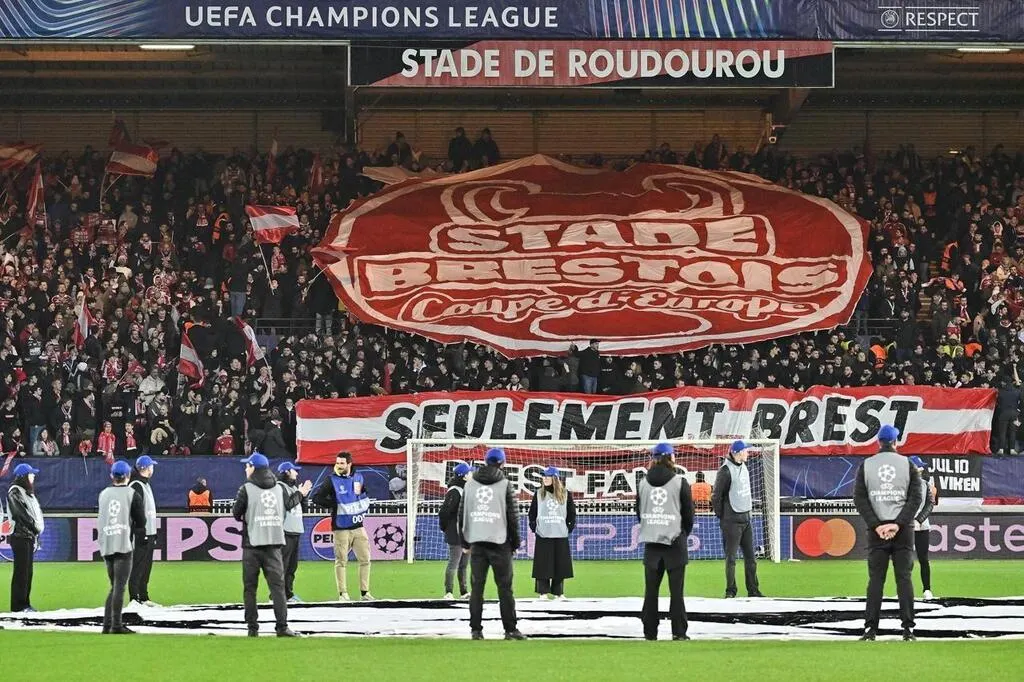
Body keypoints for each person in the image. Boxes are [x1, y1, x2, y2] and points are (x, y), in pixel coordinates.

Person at [853, 424, 924, 641]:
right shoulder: (908, 464)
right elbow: (915, 498)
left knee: (876, 580)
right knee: (904, 578)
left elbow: (860, 499)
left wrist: (877, 525)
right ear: (896, 442)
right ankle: (908, 629)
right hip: (902, 531)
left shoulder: (866, 465)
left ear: (878, 442)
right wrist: (898, 524)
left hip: (877, 531)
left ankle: (870, 629)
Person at [232, 452, 308, 637]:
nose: (245, 468)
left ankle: (253, 628)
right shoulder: (278, 489)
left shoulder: (246, 488)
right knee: (278, 588)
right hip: (274, 543)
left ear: (253, 467)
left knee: (250, 588)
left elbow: (236, 513)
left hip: (252, 544)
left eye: (247, 466)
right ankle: (282, 626)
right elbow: (286, 509)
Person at [459, 447, 524, 641]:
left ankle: (476, 630)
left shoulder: (470, 485)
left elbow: (463, 514)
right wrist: (515, 542)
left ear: (485, 462)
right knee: (505, 588)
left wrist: (465, 541)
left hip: (477, 542)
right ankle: (510, 629)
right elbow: (512, 516)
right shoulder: (505, 484)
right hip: (499, 541)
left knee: (477, 588)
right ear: (502, 463)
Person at [636, 442, 694, 641]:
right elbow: (689, 515)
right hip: (675, 543)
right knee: (676, 593)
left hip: (651, 544)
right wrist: (682, 532)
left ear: (654, 459)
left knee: (650, 592)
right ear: (671, 458)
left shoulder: (642, 483)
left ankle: (649, 631)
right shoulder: (679, 482)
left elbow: (639, 512)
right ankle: (679, 632)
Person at [312, 452, 373, 601]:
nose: (339, 465)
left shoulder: (358, 478)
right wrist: (334, 504)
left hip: (358, 526)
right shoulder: (330, 480)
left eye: (342, 463)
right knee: (341, 561)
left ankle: (365, 593)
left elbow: (363, 494)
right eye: (337, 463)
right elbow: (316, 498)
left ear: (349, 464)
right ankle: (343, 593)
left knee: (365, 560)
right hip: (341, 528)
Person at [98, 460, 147, 634]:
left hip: (106, 544)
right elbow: (142, 520)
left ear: (112, 476)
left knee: (114, 586)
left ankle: (107, 624)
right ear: (127, 476)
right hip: (122, 543)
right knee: (119, 586)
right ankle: (116, 625)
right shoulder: (132, 494)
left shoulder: (103, 494)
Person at [712, 440, 764, 598]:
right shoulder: (725, 471)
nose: (748, 453)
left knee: (751, 559)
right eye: (745, 450)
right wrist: (723, 516)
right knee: (731, 558)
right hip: (731, 521)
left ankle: (753, 590)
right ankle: (730, 591)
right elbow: (716, 496)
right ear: (737, 453)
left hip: (746, 519)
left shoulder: (744, 466)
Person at [529, 466, 576, 600]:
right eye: (543, 476)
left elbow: (572, 513)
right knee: (542, 565)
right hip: (543, 534)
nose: (544, 479)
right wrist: (534, 527)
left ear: (554, 478)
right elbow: (532, 513)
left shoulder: (566, 494)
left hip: (560, 534)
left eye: (547, 476)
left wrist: (568, 528)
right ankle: (543, 592)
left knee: (560, 565)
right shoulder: (538, 494)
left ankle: (558, 593)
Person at [7, 463, 43, 612]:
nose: (33, 476)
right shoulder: (15, 491)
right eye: (31, 474)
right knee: (21, 572)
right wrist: (34, 528)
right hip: (20, 536)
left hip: (27, 536)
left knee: (27, 572)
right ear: (24, 476)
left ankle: (25, 604)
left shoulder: (25, 492)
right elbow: (20, 514)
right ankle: (18, 606)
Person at [438, 462, 473, 600]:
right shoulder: (454, 491)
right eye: (469, 472)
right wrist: (446, 527)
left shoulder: (467, 489)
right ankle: (449, 591)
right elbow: (445, 512)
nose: (472, 474)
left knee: (464, 564)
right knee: (454, 562)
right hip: (456, 532)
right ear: (464, 476)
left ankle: (464, 592)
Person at [128, 455, 159, 608]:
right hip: (142, 533)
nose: (153, 468)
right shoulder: (136, 485)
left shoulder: (145, 485)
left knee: (146, 566)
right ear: (145, 468)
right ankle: (134, 598)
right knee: (138, 566)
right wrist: (141, 531)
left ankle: (144, 596)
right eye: (151, 466)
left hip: (149, 532)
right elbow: (135, 511)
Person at [277, 461, 309, 603]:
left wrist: (304, 495)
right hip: (284, 531)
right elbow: (288, 504)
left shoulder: (293, 488)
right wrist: (300, 493)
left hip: (294, 531)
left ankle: (288, 594)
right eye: (294, 470)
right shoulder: (279, 487)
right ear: (287, 472)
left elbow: (303, 508)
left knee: (291, 567)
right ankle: (277, 595)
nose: (297, 473)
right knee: (283, 566)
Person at [909, 455, 937, 600]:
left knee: (923, 559)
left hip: (922, 526)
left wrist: (919, 520)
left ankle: (927, 589)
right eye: (919, 466)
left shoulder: (926, 485)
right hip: (906, 527)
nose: (921, 469)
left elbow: (930, 504)